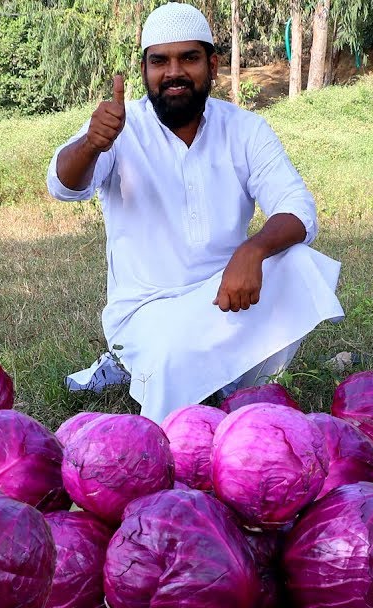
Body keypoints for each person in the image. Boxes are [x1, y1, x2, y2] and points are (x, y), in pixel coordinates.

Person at [47, 2, 344, 423]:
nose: (173, 72)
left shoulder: (244, 129)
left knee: (299, 263)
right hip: (147, 313)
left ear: (213, 65)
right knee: (170, 352)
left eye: (188, 58)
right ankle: (138, 367)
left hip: (225, 296)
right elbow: (63, 186)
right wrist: (92, 144)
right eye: (159, 61)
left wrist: (253, 249)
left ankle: (232, 383)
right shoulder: (120, 125)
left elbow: (297, 208)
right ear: (145, 70)